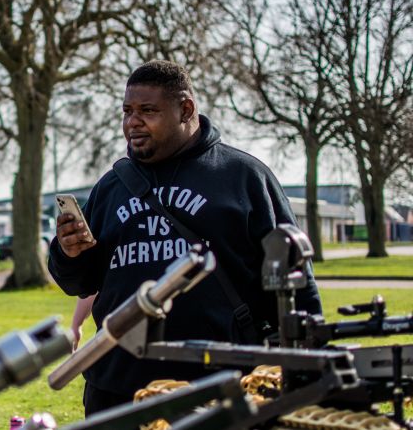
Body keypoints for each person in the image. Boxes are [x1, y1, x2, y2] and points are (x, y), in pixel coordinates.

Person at [48, 60, 322, 416]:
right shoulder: (111, 187)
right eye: (127, 111)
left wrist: (306, 370)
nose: (133, 121)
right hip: (118, 389)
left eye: (148, 110)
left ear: (186, 109)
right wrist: (69, 253)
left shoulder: (243, 177)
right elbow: (80, 283)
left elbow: (296, 282)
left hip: (218, 387)